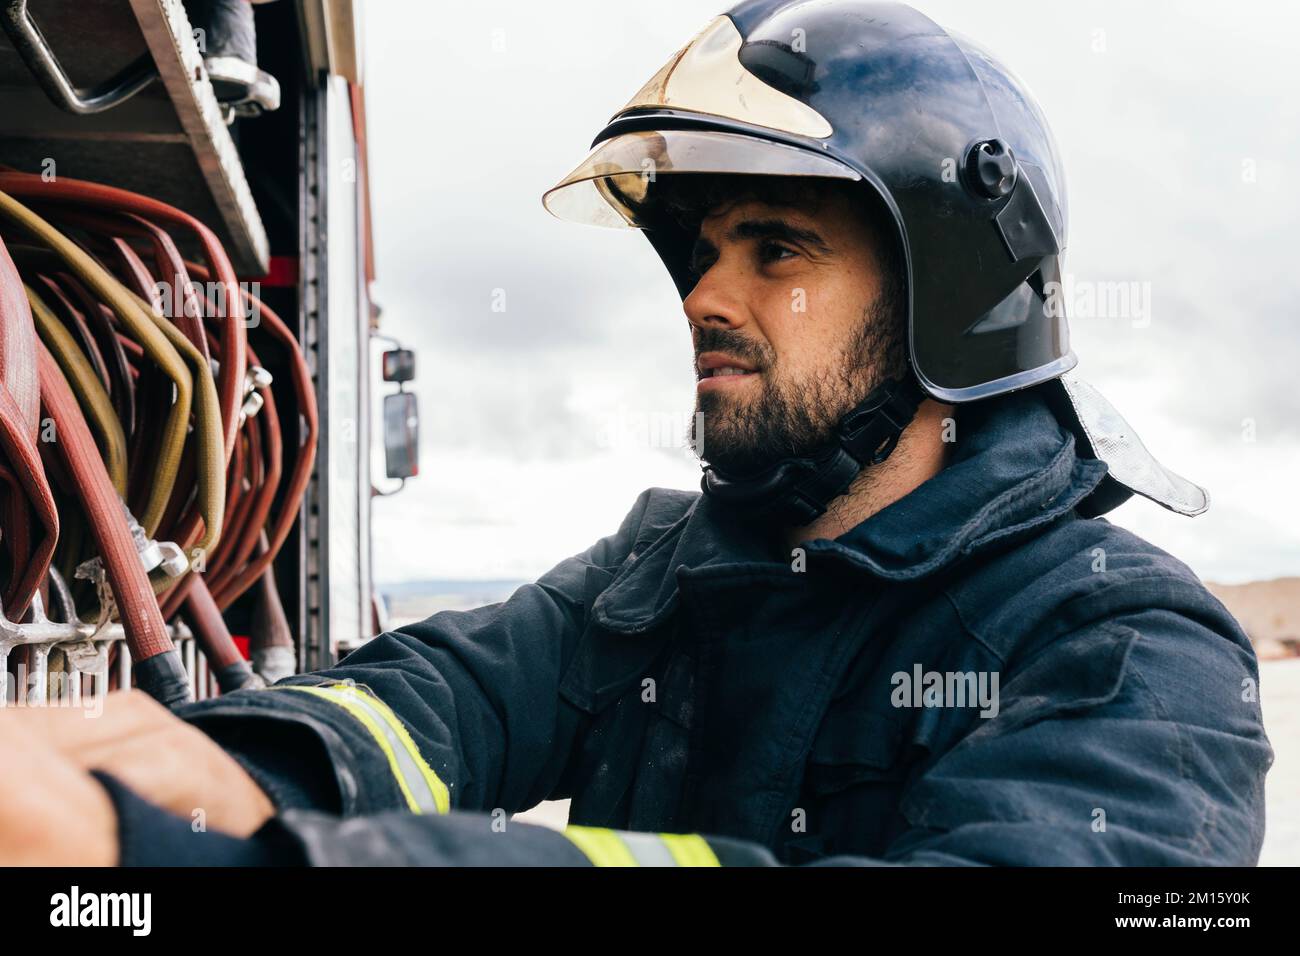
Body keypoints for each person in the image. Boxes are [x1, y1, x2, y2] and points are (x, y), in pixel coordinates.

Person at [0, 0, 1272, 867]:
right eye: (703, 255)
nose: (705, 297)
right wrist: (218, 769)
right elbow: (440, 702)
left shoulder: (1130, 650)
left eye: (775, 249)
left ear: (954, 304)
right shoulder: (665, 575)